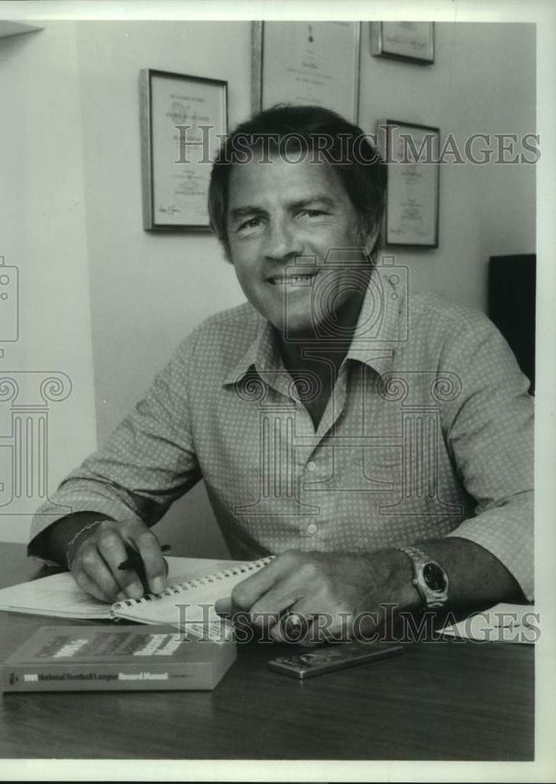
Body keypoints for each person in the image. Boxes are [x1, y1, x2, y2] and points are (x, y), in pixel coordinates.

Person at [29, 105, 533, 642]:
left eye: (310, 213)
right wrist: (89, 537)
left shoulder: (456, 343)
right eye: (251, 221)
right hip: (266, 676)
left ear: (366, 228)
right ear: (228, 246)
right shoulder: (207, 352)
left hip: (437, 677)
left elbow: (535, 513)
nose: (279, 246)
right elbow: (86, 492)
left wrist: (390, 575)